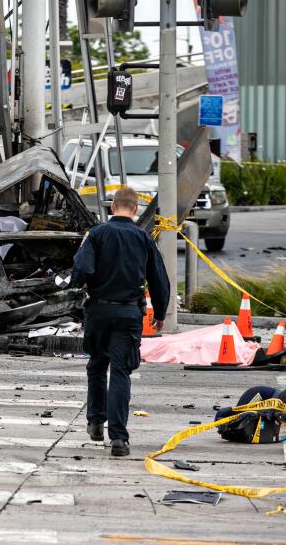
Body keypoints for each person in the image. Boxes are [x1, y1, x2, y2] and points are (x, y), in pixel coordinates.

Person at [69, 187, 169, 456]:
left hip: (99, 312)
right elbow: (159, 279)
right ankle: (119, 439)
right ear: (135, 209)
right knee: (121, 372)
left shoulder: (97, 234)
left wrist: (78, 286)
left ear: (113, 207)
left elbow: (81, 269)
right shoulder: (143, 238)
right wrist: (159, 313)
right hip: (128, 315)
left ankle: (95, 421)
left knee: (97, 365)